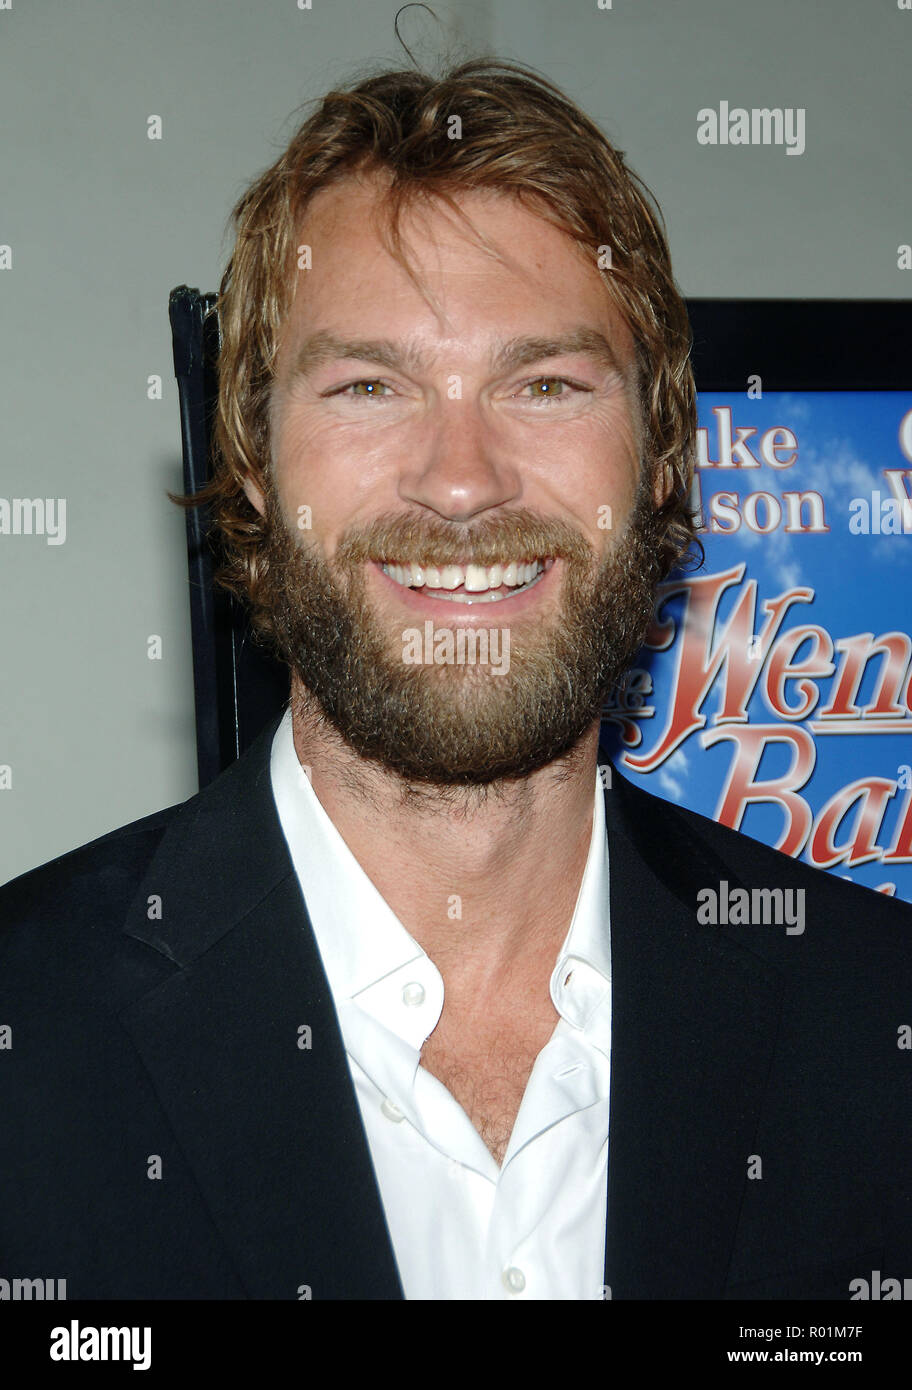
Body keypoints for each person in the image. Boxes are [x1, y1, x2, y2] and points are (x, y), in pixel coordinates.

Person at [1, 58, 910, 1302]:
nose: (465, 479)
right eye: (371, 385)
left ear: (658, 452)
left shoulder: (876, 1024)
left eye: (545, 383)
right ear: (253, 461)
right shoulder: (26, 1041)